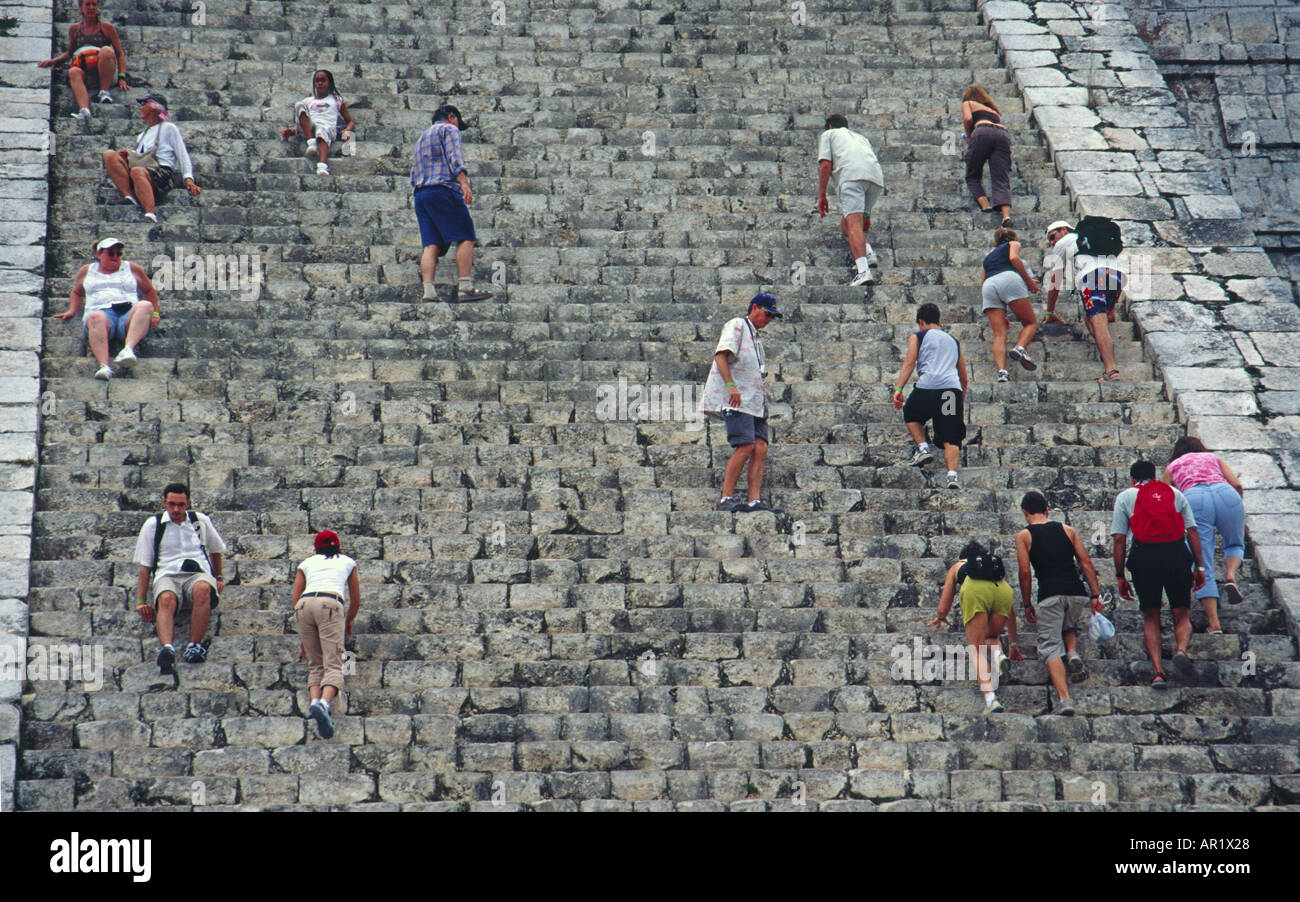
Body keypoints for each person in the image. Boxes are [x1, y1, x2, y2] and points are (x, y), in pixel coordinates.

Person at [1111, 460, 1207, 689]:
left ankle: (1157, 673)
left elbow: (1119, 538)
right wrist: (1199, 566)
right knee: (1182, 612)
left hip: (1144, 558)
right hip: (1176, 555)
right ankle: (1181, 650)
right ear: (1155, 476)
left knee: (1151, 615)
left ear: (1132, 479)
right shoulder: (1174, 493)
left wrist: (1120, 574)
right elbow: (1192, 531)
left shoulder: (1126, 497)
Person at [1014, 491, 1105, 716]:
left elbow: (1025, 572)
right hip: (1076, 592)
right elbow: (1086, 562)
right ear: (1047, 510)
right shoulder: (1068, 530)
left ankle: (1065, 699)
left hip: (1049, 593)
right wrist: (1095, 594)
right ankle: (1072, 652)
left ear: (1025, 513)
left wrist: (1026, 603)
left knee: (1050, 646)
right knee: (1069, 625)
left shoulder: (1024, 535)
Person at [698, 293, 783, 513]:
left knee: (761, 447)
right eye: (767, 314)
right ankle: (726, 497)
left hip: (755, 401)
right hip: (737, 400)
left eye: (772, 317)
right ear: (754, 307)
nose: (769, 320)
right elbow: (720, 356)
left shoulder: (757, 338)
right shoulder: (737, 325)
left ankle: (754, 500)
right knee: (745, 445)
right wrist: (730, 386)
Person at [132, 483, 227, 675]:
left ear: (188, 503)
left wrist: (218, 576)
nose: (176, 509)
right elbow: (145, 565)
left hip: (197, 571)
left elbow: (216, 548)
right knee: (166, 598)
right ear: (164, 502)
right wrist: (141, 600)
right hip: (167, 573)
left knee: (202, 588)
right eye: (172, 504)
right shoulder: (153, 525)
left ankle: (194, 645)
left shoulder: (199, 521)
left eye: (181, 505)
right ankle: (167, 647)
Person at [1161, 436, 1247, 631]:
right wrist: (1239, 516)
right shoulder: (1213, 458)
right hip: (1226, 493)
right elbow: (1237, 485)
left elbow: (1165, 496)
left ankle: (1214, 624)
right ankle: (1231, 575)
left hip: (1194, 498)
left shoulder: (1173, 465)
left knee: (1202, 562)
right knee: (1235, 544)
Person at [928, 541, 1024, 716]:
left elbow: (943, 606)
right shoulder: (993, 569)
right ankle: (998, 654)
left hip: (975, 591)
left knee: (977, 648)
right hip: (1003, 591)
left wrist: (941, 616)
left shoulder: (958, 566)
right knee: (991, 636)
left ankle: (990, 699)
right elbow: (1010, 611)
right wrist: (1012, 643)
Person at [411, 105, 492, 302]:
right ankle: (465, 287)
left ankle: (429, 291)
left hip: (422, 194)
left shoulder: (422, 138)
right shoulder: (449, 129)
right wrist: (464, 183)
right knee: (466, 237)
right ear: (451, 117)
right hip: (443, 190)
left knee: (431, 245)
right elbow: (455, 158)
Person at [54, 237, 159, 379]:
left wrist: (156, 314)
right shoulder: (87, 270)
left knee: (145, 305)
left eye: (118, 253)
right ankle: (104, 366)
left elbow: (150, 291)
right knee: (94, 317)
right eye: (111, 253)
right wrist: (72, 310)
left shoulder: (131, 268)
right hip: (101, 314)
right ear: (99, 254)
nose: (115, 257)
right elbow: (77, 292)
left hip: (127, 314)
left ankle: (128, 350)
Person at [292, 530, 360, 739]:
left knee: (315, 663)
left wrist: (304, 631)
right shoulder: (348, 562)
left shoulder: (306, 563)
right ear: (338, 546)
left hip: (304, 606)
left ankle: (313, 703)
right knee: (334, 663)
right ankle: (324, 702)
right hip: (330, 603)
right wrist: (347, 621)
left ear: (316, 548)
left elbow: (295, 598)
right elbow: (356, 600)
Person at [892, 302, 968, 490]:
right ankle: (952, 476)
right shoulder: (953, 340)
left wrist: (899, 389)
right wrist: (959, 398)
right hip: (951, 390)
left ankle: (923, 448)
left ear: (921, 322)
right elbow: (963, 376)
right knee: (951, 435)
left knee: (910, 413)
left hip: (928, 386)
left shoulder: (919, 335)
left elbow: (910, 362)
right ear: (939, 321)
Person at [1044, 220, 1127, 382]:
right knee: (1090, 318)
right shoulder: (1091, 237)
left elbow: (1056, 281)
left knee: (1096, 319)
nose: (1052, 242)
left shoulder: (1063, 243)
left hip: (1092, 277)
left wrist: (1049, 312)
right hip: (1117, 275)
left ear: (1063, 230)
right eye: (1050, 241)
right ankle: (1109, 312)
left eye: (1052, 237)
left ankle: (1110, 370)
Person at [101, 94, 201, 223]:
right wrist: (129, 155)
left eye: (144, 105)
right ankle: (128, 196)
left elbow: (182, 154)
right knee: (110, 155)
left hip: (161, 172)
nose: (140, 108)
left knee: (137, 171)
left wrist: (188, 178)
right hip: (141, 171)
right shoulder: (142, 135)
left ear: (154, 108)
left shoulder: (169, 128)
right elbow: (141, 157)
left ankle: (150, 214)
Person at [816, 113, 886, 286]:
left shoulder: (829, 134)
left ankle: (863, 272)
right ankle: (869, 253)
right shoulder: (861, 138)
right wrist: (867, 215)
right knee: (847, 223)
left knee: (853, 224)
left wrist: (821, 196)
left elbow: (825, 164)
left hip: (851, 176)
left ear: (830, 126)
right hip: (875, 179)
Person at [37, 0, 128, 120]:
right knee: (73, 71)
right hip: (86, 75)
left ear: (97, 7)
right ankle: (84, 110)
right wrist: (54, 61)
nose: (91, 7)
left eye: (94, 4)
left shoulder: (107, 28)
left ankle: (104, 92)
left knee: (106, 50)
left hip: (105, 74)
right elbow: (70, 53)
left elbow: (119, 53)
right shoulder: (74, 29)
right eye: (88, 4)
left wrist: (122, 77)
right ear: (81, 7)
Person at [981, 227, 1039, 383]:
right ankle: (1020, 348)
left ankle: (1002, 372)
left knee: (999, 334)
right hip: (1009, 278)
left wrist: (1001, 312)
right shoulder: (1013, 244)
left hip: (989, 286)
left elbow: (983, 280)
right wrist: (1029, 282)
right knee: (1030, 323)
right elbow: (1014, 259)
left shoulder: (988, 258)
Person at [281, 69, 355, 177]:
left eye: (323, 80)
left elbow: (350, 122)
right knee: (299, 105)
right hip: (311, 129)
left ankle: (322, 165)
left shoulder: (337, 100)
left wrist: (347, 130)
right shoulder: (308, 101)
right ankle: (311, 142)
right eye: (317, 81)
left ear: (329, 82)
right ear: (314, 83)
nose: (320, 83)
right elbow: (301, 123)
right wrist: (292, 132)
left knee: (321, 130)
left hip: (327, 128)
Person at [961, 85, 1013, 228]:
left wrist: (970, 136)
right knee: (1001, 177)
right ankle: (1006, 216)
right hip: (1002, 135)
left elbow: (967, 119)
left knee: (972, 175)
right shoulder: (992, 110)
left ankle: (985, 206)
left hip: (982, 131)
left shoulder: (968, 103)